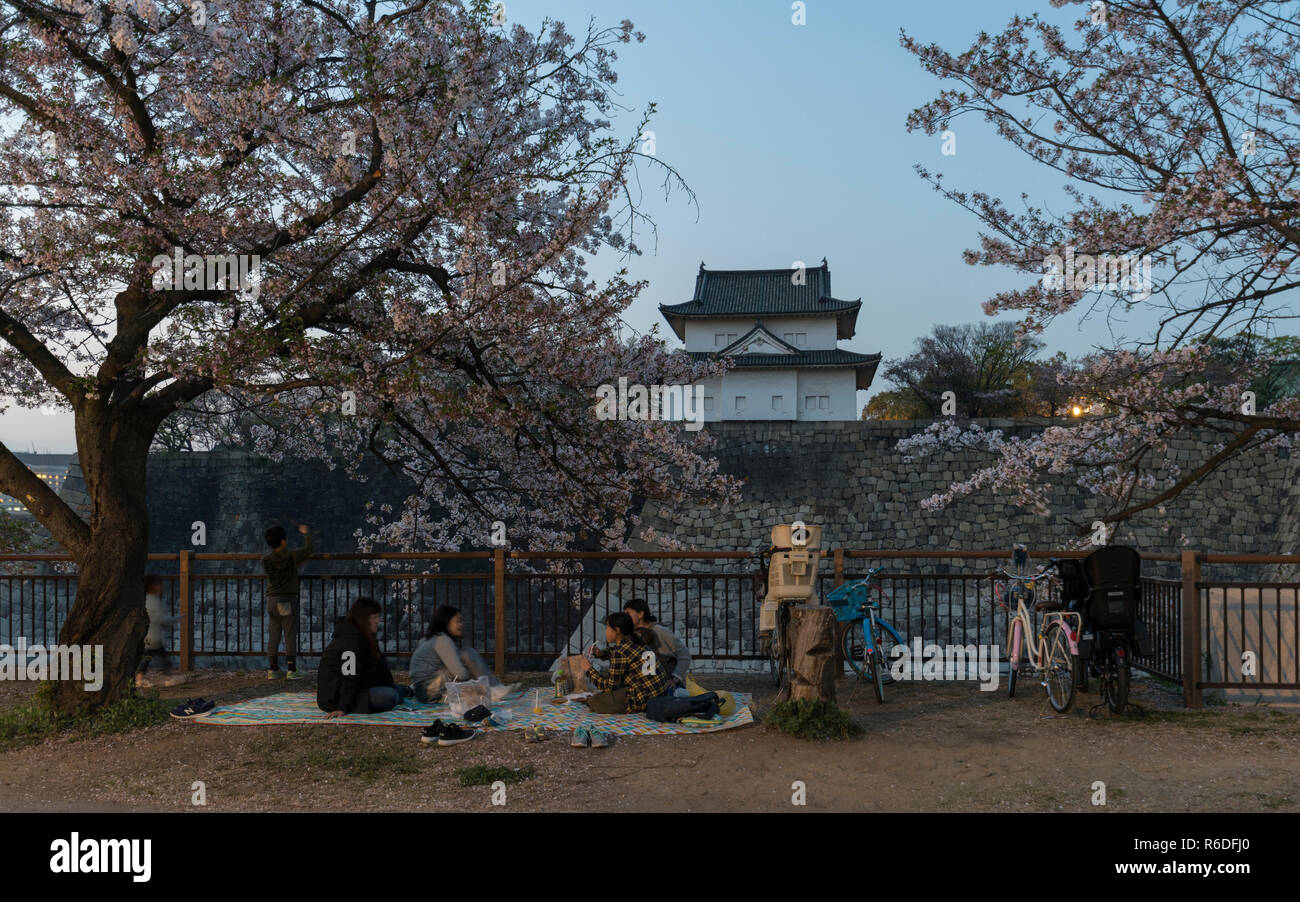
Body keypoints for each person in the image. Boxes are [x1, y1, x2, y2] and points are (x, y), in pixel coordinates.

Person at [409, 605, 519, 703]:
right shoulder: (443, 640)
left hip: (421, 693)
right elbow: (460, 675)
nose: (462, 624)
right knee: (467, 653)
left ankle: (493, 688)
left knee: (463, 657)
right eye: (458, 621)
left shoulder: (428, 639)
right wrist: (474, 678)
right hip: (432, 692)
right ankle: (494, 687)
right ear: (446, 622)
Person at [317, 597, 403, 716]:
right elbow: (349, 675)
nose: (377, 621)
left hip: (359, 686)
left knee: (395, 689)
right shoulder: (351, 641)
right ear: (362, 619)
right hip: (336, 697)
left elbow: (378, 667)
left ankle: (407, 691)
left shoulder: (364, 636)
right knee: (390, 696)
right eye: (373, 617)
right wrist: (343, 707)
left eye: (378, 616)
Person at [574, 612, 670, 714]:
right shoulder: (635, 639)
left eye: (607, 627)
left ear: (617, 630)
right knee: (608, 683)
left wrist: (588, 669)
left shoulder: (619, 652)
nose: (605, 631)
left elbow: (609, 687)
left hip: (644, 698)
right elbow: (620, 652)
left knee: (595, 700)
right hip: (660, 692)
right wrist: (600, 653)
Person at [596, 598, 691, 689]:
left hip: (667, 684)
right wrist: (601, 653)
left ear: (641, 614)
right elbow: (622, 651)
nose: (625, 616)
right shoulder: (632, 633)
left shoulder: (661, 632)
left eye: (628, 613)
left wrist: (674, 679)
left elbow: (684, 655)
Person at [262, 523, 313, 680]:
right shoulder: (291, 556)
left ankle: (273, 669)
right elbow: (308, 550)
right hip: (286, 600)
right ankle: (291, 668)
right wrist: (306, 534)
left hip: (271, 600)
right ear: (283, 541)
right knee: (289, 633)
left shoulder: (266, 559)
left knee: (274, 635)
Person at [136, 574, 178, 687]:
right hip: (154, 637)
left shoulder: (145, 599)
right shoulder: (153, 600)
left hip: (148, 636)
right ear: (153, 586)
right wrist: (176, 619)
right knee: (163, 659)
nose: (161, 587)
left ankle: (139, 679)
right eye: (159, 584)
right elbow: (161, 619)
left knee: (146, 659)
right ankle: (168, 678)